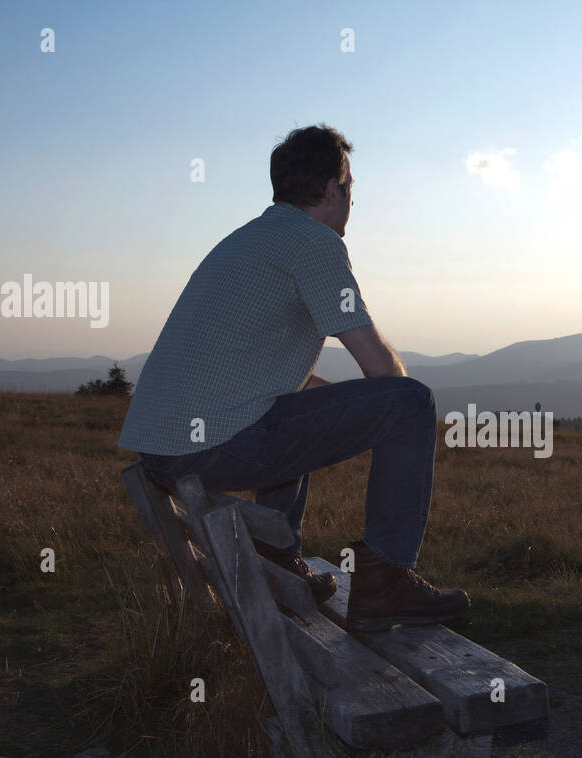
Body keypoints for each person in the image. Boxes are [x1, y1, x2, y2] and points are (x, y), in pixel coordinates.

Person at [117, 124, 468, 631]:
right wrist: (390, 406)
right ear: (332, 189)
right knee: (410, 402)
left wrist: (350, 408)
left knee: (293, 409)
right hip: (207, 447)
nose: (352, 200)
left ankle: (278, 559)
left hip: (166, 449)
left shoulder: (249, 240)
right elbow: (381, 370)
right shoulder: (314, 244)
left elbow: (270, 378)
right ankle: (385, 581)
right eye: (350, 188)